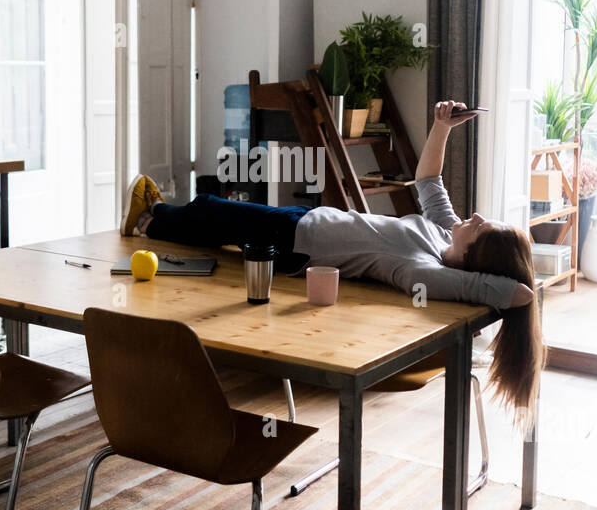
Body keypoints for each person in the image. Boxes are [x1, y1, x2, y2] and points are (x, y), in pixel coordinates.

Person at [122, 101, 544, 423]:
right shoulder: (442, 231)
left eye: (483, 228)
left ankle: (149, 217)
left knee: (213, 212)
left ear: (474, 256)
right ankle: (156, 219)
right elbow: (430, 180)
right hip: (307, 222)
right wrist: (440, 127)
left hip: (297, 241)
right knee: (217, 233)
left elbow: (516, 292)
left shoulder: (423, 269)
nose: (477, 217)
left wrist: (523, 292)